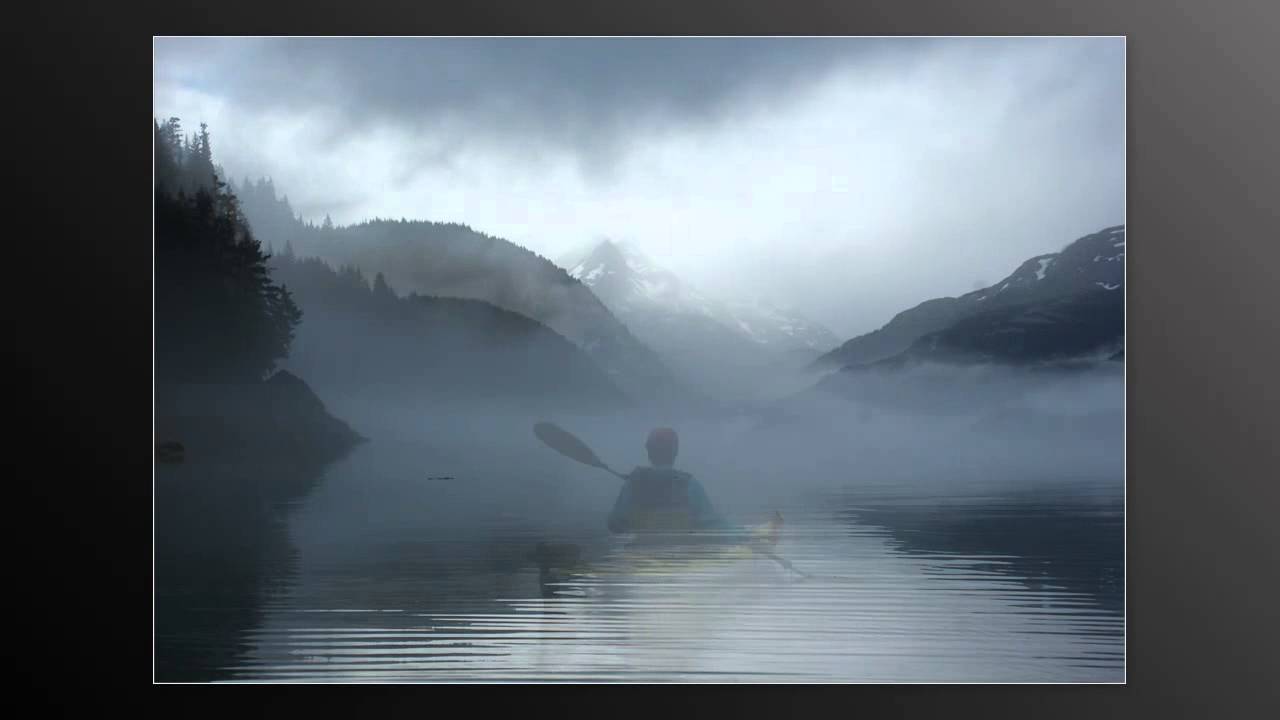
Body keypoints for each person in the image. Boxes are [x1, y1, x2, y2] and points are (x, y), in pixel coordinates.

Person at [607, 427, 731, 534]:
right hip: (680, 554)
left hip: (640, 554)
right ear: (675, 452)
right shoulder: (690, 484)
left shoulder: (632, 484)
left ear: (648, 451)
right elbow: (710, 523)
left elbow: (614, 524)